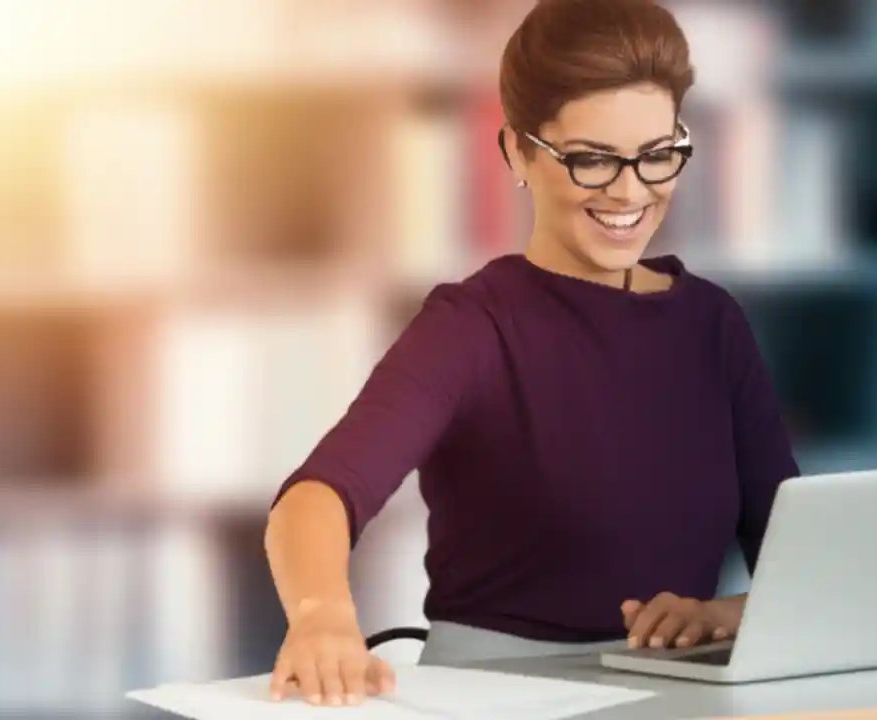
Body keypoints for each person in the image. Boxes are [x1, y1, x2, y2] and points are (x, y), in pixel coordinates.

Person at [264, 0, 799, 707]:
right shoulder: (474, 325)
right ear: (516, 150)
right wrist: (321, 615)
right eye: (591, 160)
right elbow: (317, 497)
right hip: (499, 701)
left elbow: (796, 563)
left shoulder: (713, 325)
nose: (630, 191)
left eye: (657, 154)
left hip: (683, 696)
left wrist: (726, 615)